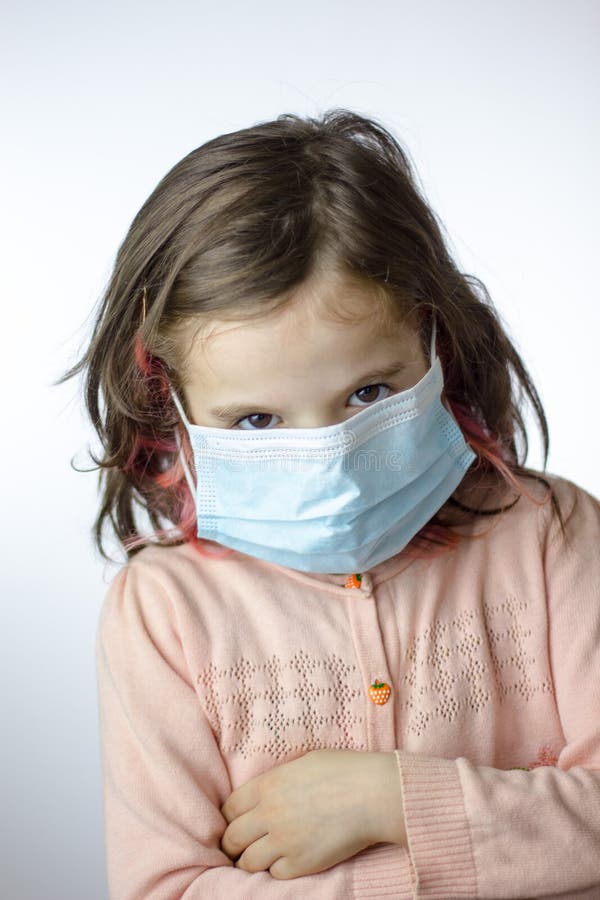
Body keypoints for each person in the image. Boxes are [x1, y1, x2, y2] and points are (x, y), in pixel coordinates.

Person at [60, 109, 600, 898]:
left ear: (436, 344)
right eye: (257, 420)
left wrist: (394, 801)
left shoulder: (553, 538)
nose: (331, 459)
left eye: (368, 392)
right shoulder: (164, 614)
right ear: (167, 402)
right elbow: (167, 888)